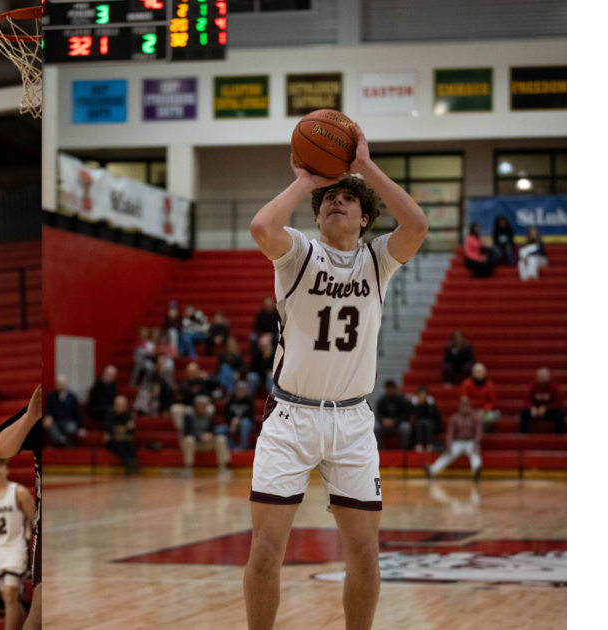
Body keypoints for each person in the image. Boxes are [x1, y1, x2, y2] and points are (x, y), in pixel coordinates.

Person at [245, 121, 426, 630]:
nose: (336, 202)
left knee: (366, 554)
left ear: (366, 217)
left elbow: (415, 226)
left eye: (348, 199)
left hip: (350, 423)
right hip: (290, 417)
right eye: (330, 198)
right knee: (264, 552)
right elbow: (262, 227)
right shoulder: (299, 253)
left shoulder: (377, 261)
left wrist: (364, 166)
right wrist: (307, 178)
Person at [0, 389, 43, 630]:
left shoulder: (18, 493)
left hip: (18, 547)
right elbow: (1, 448)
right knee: (37, 608)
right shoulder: (37, 408)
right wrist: (31, 417)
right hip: (13, 546)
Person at [0, 455, 35, 630]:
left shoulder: (19, 492)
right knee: (7, 597)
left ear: (7, 468)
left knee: (11, 594)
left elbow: (36, 521)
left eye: (0, 465)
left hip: (17, 547)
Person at [425, 396, 483, 480]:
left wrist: (476, 442)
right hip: (458, 442)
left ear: (469, 406)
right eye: (463, 405)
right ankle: (432, 471)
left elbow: (478, 432)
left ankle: (476, 470)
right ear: (459, 406)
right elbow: (450, 434)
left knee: (474, 451)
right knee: (449, 453)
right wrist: (449, 445)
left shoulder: (475, 417)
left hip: (471, 442)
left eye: (466, 405)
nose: (464, 407)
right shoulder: (454, 418)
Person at [180, 396, 231, 478]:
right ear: (196, 406)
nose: (204, 407)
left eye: (205, 405)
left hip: (206, 442)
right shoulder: (188, 416)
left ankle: (223, 468)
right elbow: (187, 432)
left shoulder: (209, 416)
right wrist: (200, 436)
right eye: (201, 405)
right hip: (194, 442)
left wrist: (210, 435)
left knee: (221, 439)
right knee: (189, 440)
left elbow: (212, 431)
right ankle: (187, 469)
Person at [519, 367, 565, 434]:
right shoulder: (533, 386)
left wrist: (546, 408)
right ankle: (523, 435)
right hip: (536, 411)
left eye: (545, 376)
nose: (543, 379)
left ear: (549, 376)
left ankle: (559, 435)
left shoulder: (554, 386)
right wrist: (532, 407)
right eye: (542, 377)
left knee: (559, 413)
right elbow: (527, 400)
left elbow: (558, 402)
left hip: (548, 411)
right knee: (523, 412)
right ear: (538, 377)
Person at [170, 361, 213, 432]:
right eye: (190, 372)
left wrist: (208, 377)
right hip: (189, 406)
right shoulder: (185, 383)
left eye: (194, 372)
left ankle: (206, 431)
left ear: (198, 371)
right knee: (175, 409)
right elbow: (182, 396)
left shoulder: (203, 381)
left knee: (211, 408)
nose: (192, 374)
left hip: (202, 406)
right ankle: (183, 431)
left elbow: (216, 384)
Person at [43, 374, 83, 448]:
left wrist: (81, 427)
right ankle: (64, 440)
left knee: (71, 428)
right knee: (48, 424)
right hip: (55, 421)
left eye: (62, 384)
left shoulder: (72, 397)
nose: (60, 386)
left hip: (69, 421)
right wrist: (48, 417)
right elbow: (48, 410)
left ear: (66, 384)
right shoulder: (51, 396)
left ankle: (59, 440)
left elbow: (77, 412)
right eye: (58, 384)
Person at [104, 395, 139, 475]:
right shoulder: (110, 414)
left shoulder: (128, 415)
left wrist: (119, 429)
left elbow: (131, 430)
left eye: (122, 405)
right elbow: (108, 428)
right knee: (119, 447)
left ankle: (132, 463)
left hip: (124, 439)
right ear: (114, 405)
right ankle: (128, 463)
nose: (120, 407)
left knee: (129, 446)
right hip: (112, 440)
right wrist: (123, 428)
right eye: (118, 405)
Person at [373, 381, 412, 450]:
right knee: (375, 427)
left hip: (398, 425)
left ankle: (402, 449)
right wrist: (383, 421)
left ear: (395, 389)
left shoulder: (402, 400)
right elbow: (378, 415)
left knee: (406, 427)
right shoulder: (381, 400)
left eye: (392, 389)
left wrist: (395, 421)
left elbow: (405, 415)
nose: (390, 391)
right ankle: (380, 450)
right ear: (386, 390)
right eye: (388, 389)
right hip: (384, 425)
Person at [460, 363, 499, 428]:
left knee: (491, 418)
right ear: (473, 373)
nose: (479, 374)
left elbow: (492, 401)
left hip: (485, 411)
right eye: (477, 372)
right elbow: (464, 400)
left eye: (481, 372)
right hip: (470, 410)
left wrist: (484, 410)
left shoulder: (490, 385)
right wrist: (471, 410)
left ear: (485, 373)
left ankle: (484, 434)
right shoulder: (466, 384)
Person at [220, 381, 255, 451]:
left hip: (245, 424)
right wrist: (232, 421)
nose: (240, 392)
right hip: (232, 424)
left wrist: (239, 420)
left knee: (245, 423)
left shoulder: (249, 400)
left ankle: (243, 447)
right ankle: (230, 446)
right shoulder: (230, 400)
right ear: (235, 390)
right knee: (218, 430)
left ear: (246, 391)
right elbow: (226, 415)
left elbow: (251, 416)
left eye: (242, 390)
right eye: (239, 390)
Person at [409, 385, 442, 452]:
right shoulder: (414, 404)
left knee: (426, 423)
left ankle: (429, 444)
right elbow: (414, 416)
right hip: (418, 424)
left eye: (424, 394)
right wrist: (418, 405)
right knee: (420, 423)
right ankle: (419, 444)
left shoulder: (431, 404)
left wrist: (427, 405)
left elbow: (436, 417)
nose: (423, 396)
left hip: (430, 424)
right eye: (421, 394)